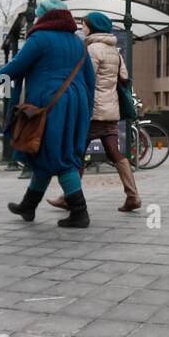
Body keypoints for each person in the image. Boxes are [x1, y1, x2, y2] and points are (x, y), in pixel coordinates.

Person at [0, 0, 94, 228]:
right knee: (46, 153)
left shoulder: (40, 39)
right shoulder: (78, 42)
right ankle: (28, 205)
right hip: (77, 104)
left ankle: (79, 212)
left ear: (43, 16)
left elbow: (15, 68)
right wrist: (86, 111)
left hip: (50, 104)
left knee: (60, 157)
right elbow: (90, 80)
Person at [47, 11, 141, 213]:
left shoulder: (93, 49)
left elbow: (85, 80)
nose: (82, 28)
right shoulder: (113, 51)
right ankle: (132, 195)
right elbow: (123, 77)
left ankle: (70, 197)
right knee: (114, 152)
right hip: (111, 110)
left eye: (84, 25)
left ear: (93, 27)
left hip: (93, 111)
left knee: (77, 154)